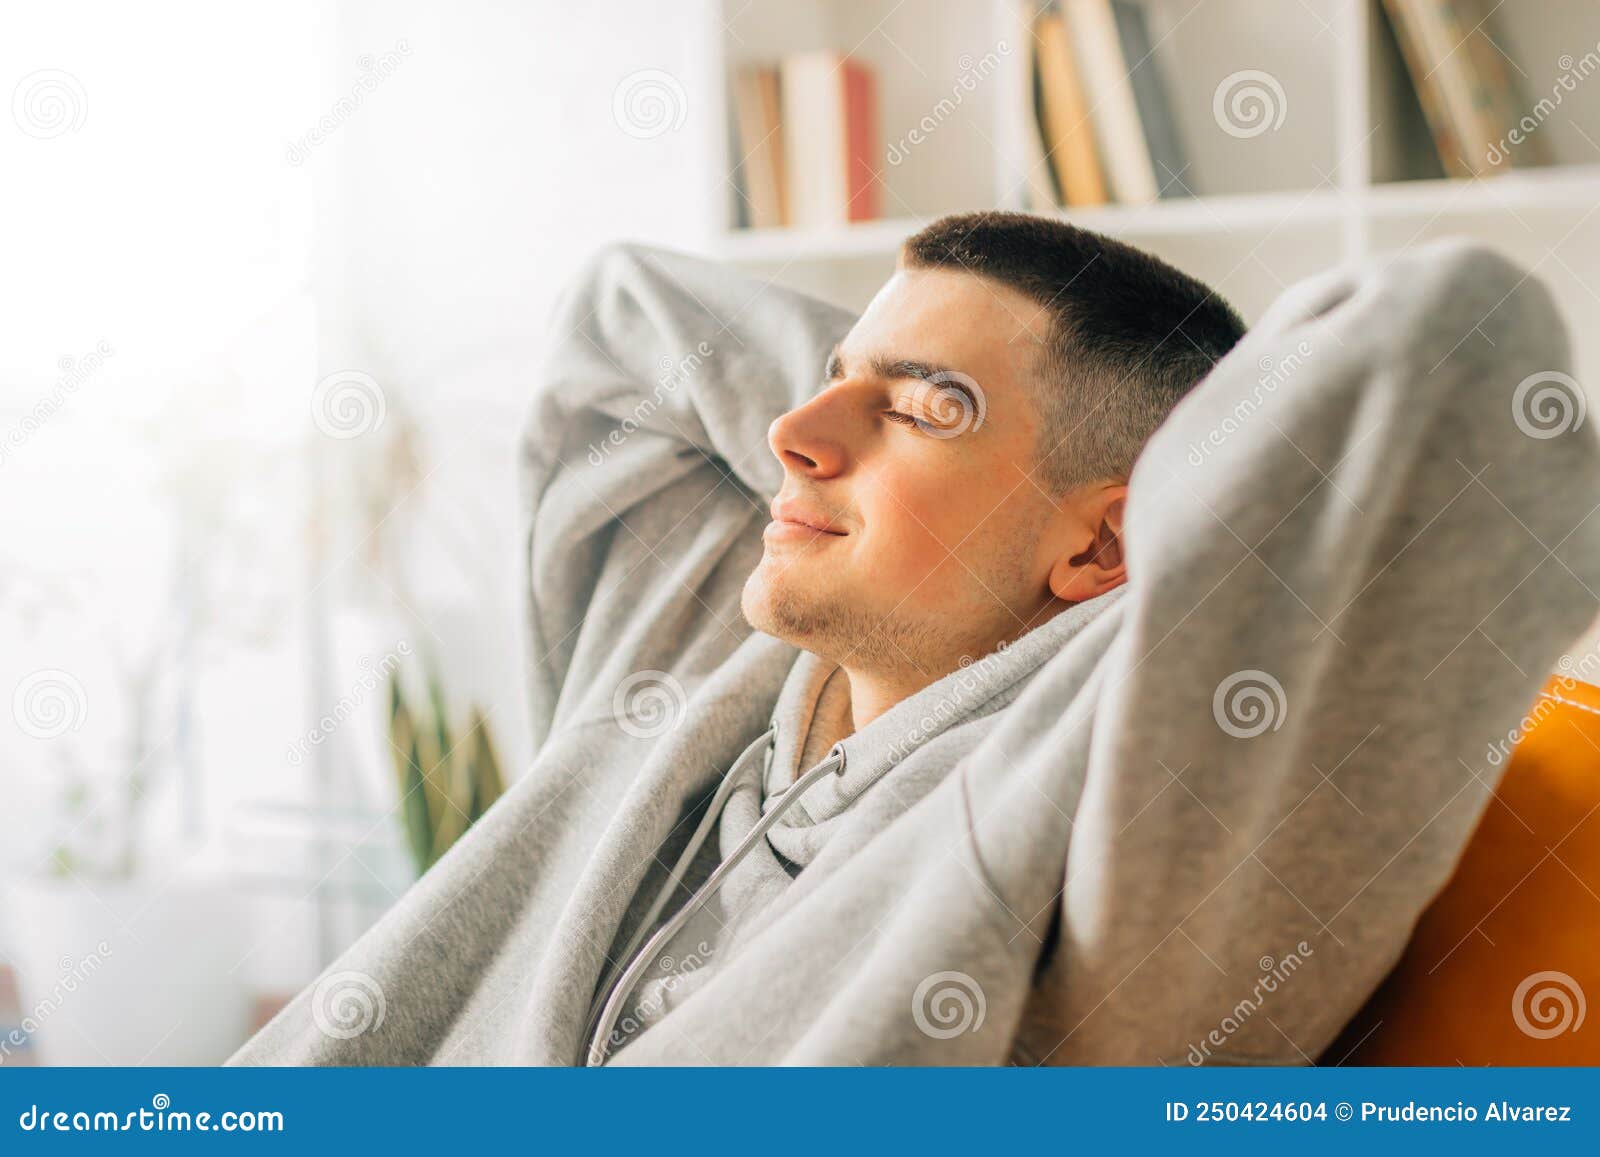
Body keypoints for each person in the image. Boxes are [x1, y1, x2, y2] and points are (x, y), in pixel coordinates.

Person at [231, 212, 1600, 1067]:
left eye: (924, 408)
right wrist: (916, 393)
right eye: (828, 386)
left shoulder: (1130, 796)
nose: (791, 437)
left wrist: (1140, 512)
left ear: (1108, 546)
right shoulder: (709, 648)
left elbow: (1452, 350)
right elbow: (621, 314)